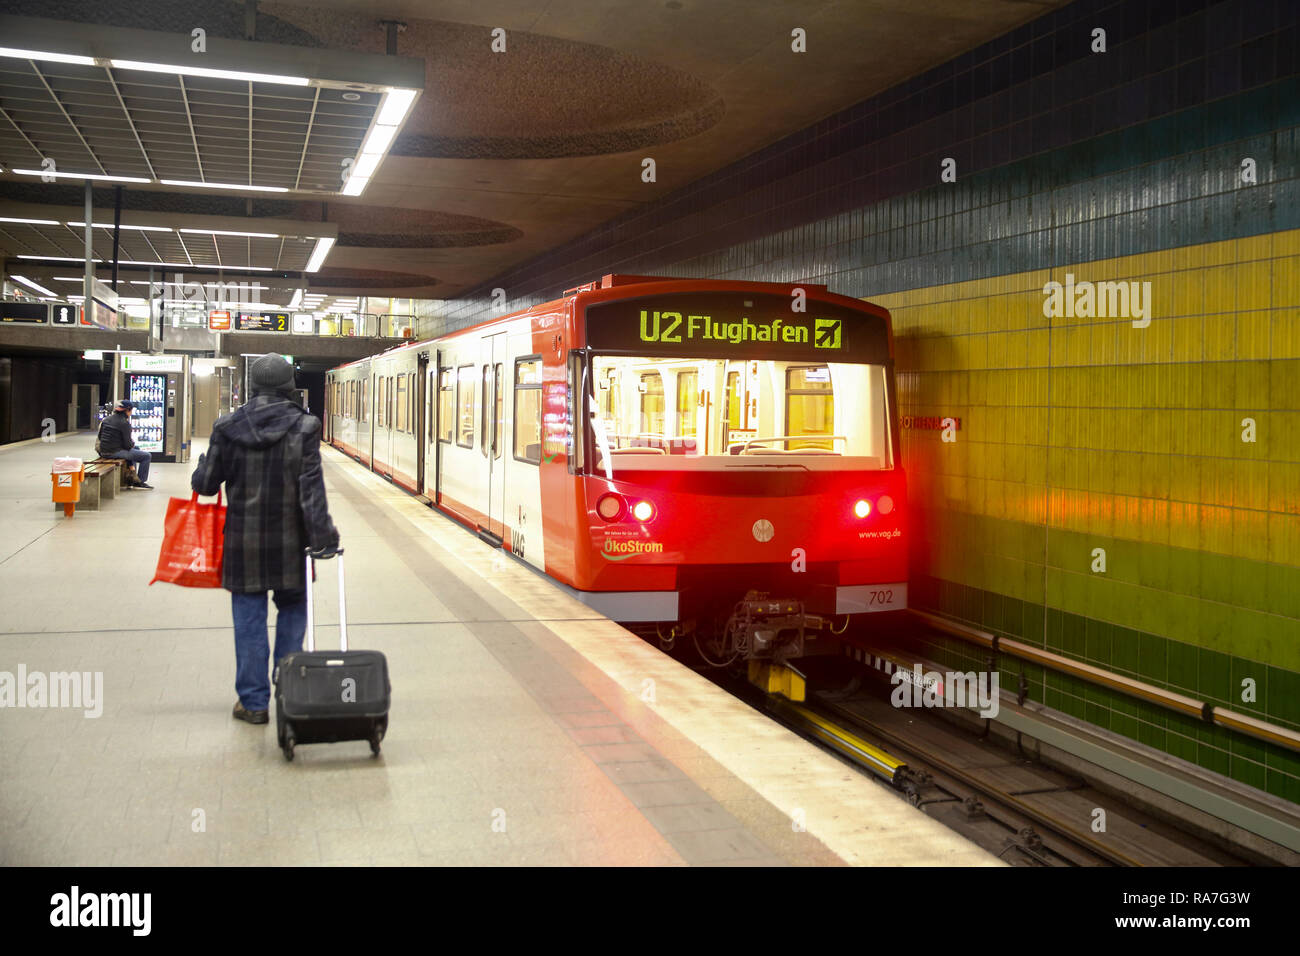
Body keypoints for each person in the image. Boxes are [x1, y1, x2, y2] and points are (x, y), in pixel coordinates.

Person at [190, 353, 340, 725]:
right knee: (292, 611)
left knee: (249, 620)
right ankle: (289, 688)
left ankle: (254, 703)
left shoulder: (227, 426)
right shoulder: (305, 427)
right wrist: (324, 537)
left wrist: (202, 466)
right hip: (292, 542)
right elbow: (312, 491)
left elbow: (206, 486)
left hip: (243, 543)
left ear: (253, 386)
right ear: (289, 386)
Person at [98, 400, 153, 489]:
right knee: (146, 456)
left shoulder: (106, 419)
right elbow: (128, 445)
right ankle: (140, 481)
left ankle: (132, 477)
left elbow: (100, 437)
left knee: (136, 449)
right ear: (127, 411)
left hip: (103, 450)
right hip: (113, 452)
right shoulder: (124, 423)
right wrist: (132, 444)